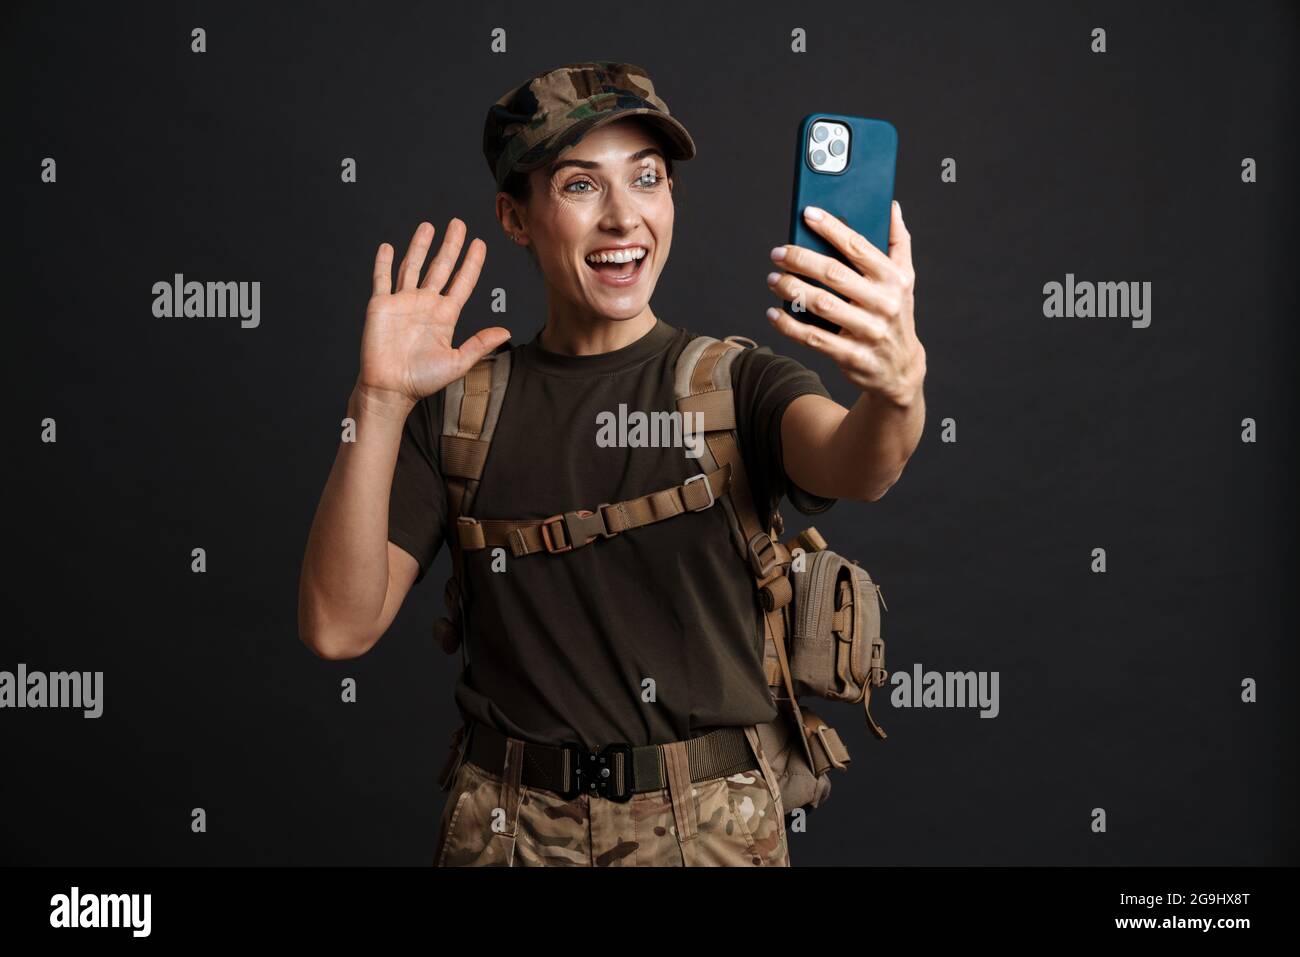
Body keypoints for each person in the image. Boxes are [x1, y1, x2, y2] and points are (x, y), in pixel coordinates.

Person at [298, 61, 926, 866]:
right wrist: (378, 401)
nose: (623, 217)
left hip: (710, 834)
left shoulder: (737, 385)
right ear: (515, 217)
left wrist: (899, 391)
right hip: (507, 832)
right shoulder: (458, 410)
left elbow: (859, 463)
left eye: (647, 178)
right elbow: (337, 626)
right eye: (580, 186)